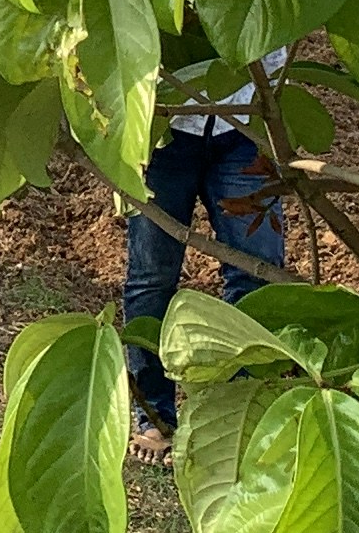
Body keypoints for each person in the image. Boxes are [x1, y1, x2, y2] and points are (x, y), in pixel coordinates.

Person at [121, 66, 286, 466]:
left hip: (244, 127)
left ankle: (238, 417)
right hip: (163, 129)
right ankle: (155, 417)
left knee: (256, 274)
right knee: (151, 279)